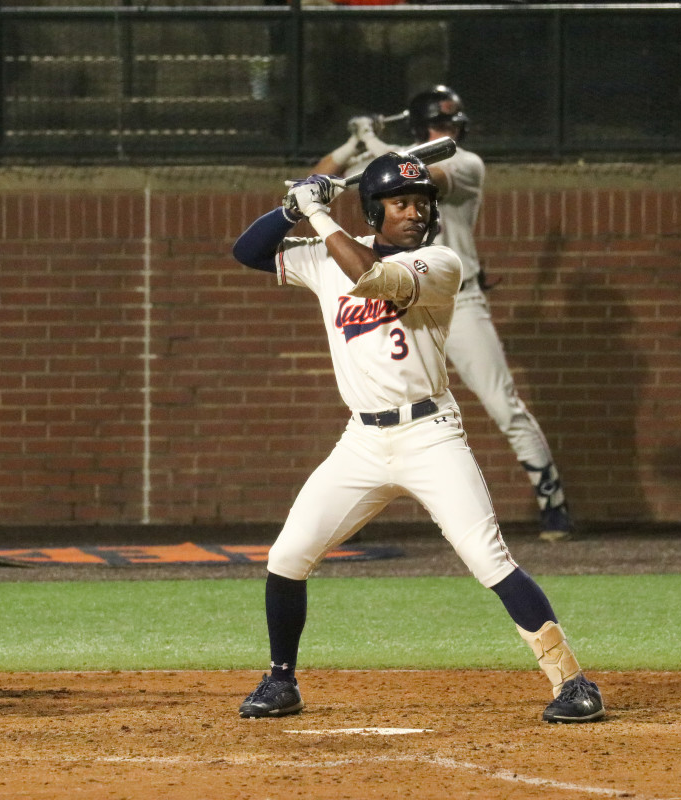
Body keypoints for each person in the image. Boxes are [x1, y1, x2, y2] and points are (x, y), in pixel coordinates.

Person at [229, 155, 605, 723]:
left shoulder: (439, 260)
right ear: (375, 208)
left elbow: (373, 278)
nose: (415, 212)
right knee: (287, 556)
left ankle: (573, 683)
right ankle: (282, 681)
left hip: (430, 434)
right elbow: (248, 253)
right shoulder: (328, 255)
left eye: (422, 203)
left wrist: (320, 218)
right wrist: (291, 208)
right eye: (401, 203)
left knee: (489, 559)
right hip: (361, 441)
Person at [314, 85, 576, 542]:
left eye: (452, 124)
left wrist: (376, 145)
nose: (447, 131)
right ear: (420, 127)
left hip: (456, 298)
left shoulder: (465, 162)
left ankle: (551, 500)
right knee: (375, 403)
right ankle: (342, 512)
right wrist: (350, 146)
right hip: (394, 296)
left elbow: (422, 174)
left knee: (503, 404)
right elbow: (313, 184)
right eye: (438, 125)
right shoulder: (383, 159)